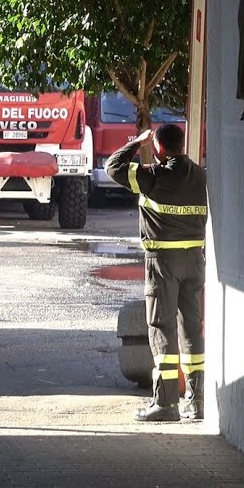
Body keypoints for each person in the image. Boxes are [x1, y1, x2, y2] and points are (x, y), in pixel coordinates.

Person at [105, 123, 208, 422]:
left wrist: (136, 142)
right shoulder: (200, 175)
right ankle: (196, 400)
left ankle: (164, 403)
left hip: (163, 261)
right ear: (182, 146)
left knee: (162, 327)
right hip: (195, 260)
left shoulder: (153, 176)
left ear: (160, 148)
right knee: (191, 328)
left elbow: (113, 167)